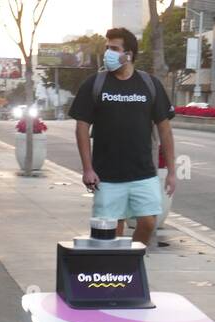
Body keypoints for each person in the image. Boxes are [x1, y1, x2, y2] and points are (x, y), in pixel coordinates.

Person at [68, 27, 176, 246]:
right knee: (110, 234)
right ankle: (117, 270)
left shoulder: (150, 85)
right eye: (107, 48)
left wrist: (172, 172)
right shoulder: (95, 84)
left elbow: (165, 129)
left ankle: (134, 259)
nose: (108, 52)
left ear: (129, 54)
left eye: (114, 48)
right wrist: (87, 168)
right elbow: (81, 127)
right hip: (106, 176)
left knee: (147, 223)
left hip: (143, 173)